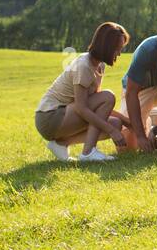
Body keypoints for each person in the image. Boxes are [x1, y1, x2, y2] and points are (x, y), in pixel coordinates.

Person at [34, 21, 130, 162]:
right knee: (108, 98)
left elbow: (99, 105)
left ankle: (61, 144)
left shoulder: (99, 65)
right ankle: (88, 152)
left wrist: (126, 122)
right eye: (117, 49)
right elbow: (81, 108)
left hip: (65, 115)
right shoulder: (84, 66)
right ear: (107, 47)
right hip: (49, 118)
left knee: (116, 123)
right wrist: (111, 131)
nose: (119, 53)